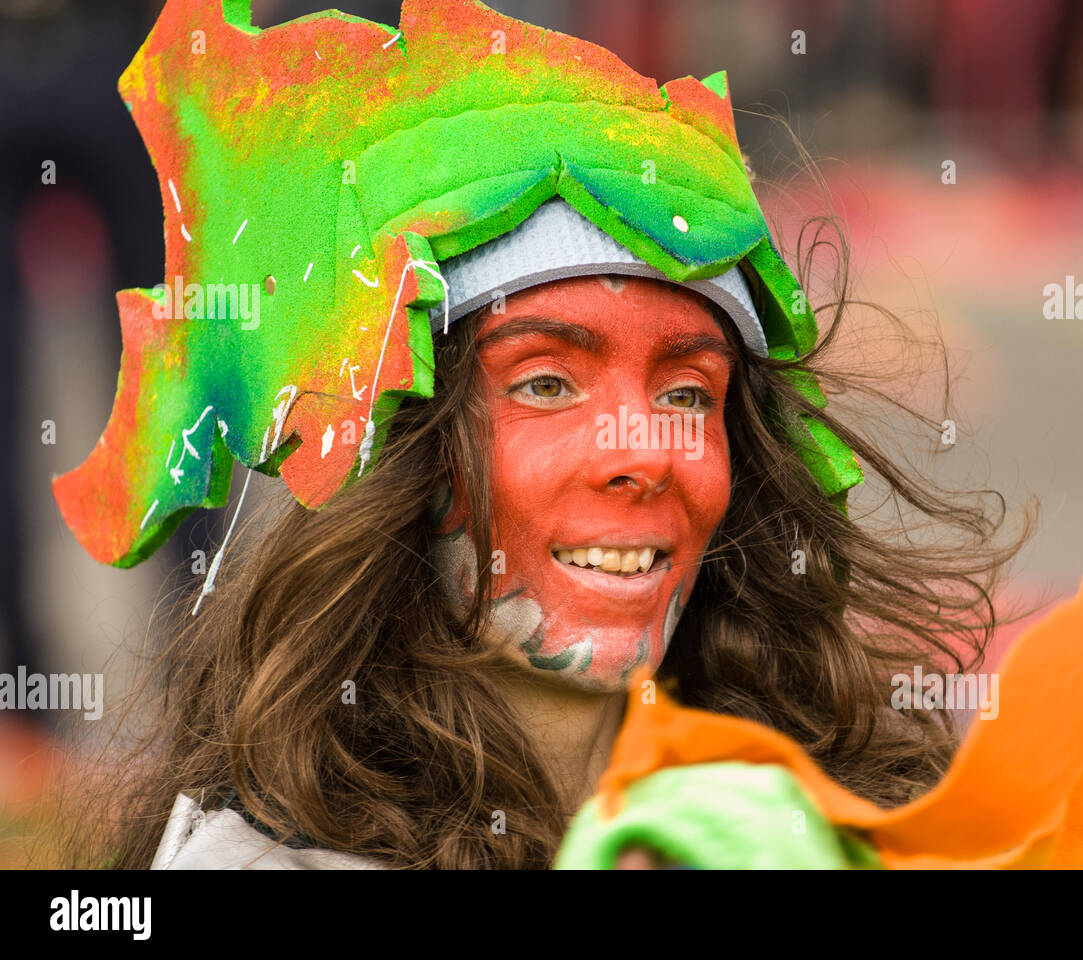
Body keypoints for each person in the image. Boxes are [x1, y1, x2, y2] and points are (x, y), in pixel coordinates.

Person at [52, 0, 1024, 869]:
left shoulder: (837, 817)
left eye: (688, 394)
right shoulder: (260, 862)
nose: (641, 453)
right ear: (406, 455)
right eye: (547, 382)